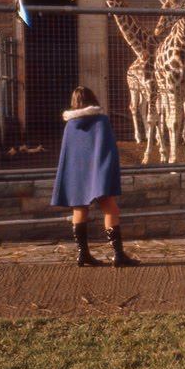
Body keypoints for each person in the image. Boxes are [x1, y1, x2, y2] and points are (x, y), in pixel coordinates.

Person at [51, 86, 139, 268]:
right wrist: (108, 173)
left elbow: (68, 154)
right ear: (93, 99)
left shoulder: (70, 125)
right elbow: (108, 149)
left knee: (79, 210)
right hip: (99, 172)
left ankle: (83, 254)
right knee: (111, 210)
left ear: (74, 102)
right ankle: (118, 255)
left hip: (77, 173)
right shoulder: (101, 121)